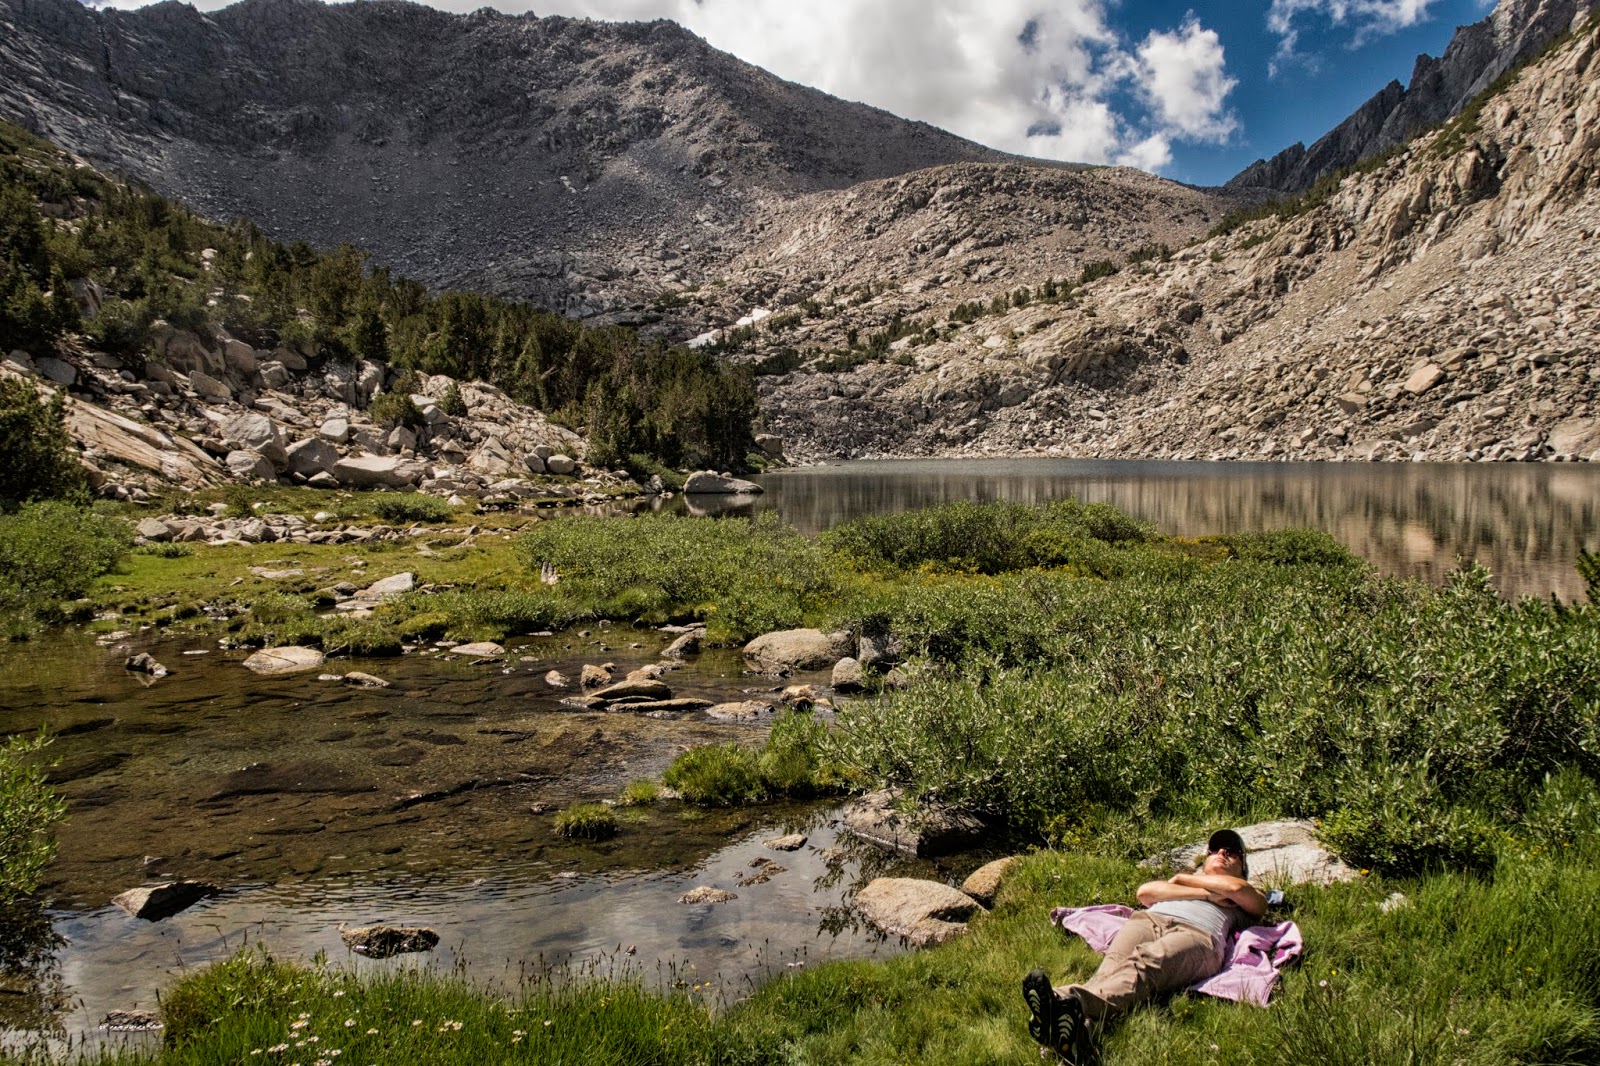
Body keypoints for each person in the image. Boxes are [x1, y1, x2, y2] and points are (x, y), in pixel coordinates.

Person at [1023, 828, 1268, 1062]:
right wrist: (1205, 893)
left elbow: (1237, 888)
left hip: (1198, 934)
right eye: (1215, 849)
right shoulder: (1187, 883)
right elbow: (1146, 892)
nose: (1222, 853)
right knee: (1111, 968)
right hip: (1148, 921)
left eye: (1232, 852)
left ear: (1243, 868)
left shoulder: (1244, 897)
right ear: (1205, 859)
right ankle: (1080, 1034)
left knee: (1145, 963)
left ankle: (1065, 998)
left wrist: (1184, 880)